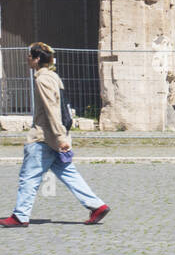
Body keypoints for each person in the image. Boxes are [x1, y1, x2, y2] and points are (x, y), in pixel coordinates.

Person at [2, 42, 109, 228]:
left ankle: (20, 216)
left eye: (30, 55)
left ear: (36, 59)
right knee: (69, 173)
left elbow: (52, 109)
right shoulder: (53, 77)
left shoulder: (42, 79)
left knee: (28, 177)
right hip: (55, 137)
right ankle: (97, 206)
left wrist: (60, 137)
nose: (27, 58)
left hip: (43, 137)